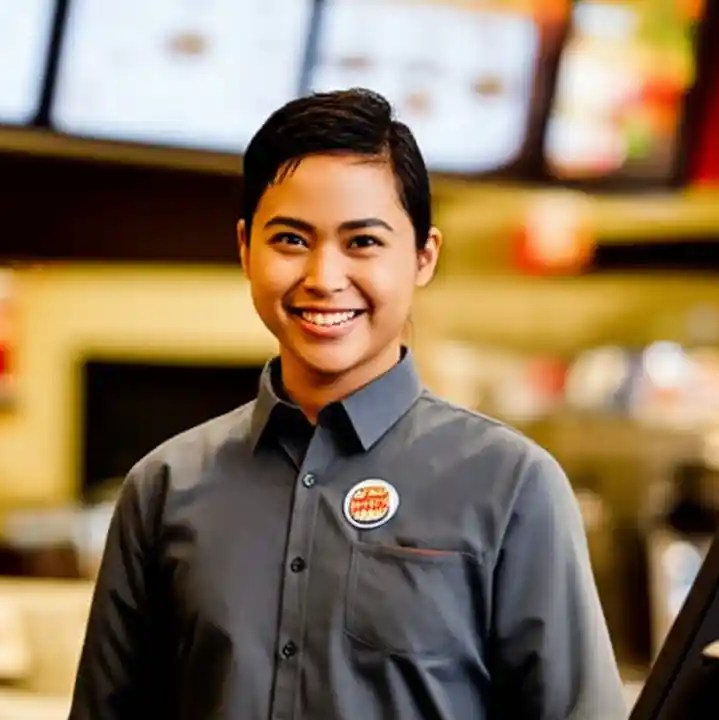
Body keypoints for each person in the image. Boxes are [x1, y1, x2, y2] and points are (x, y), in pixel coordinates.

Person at [69, 89, 626, 720]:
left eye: (362, 242)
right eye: (291, 240)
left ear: (423, 257)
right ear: (246, 249)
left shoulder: (513, 487)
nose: (324, 277)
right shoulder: (164, 489)